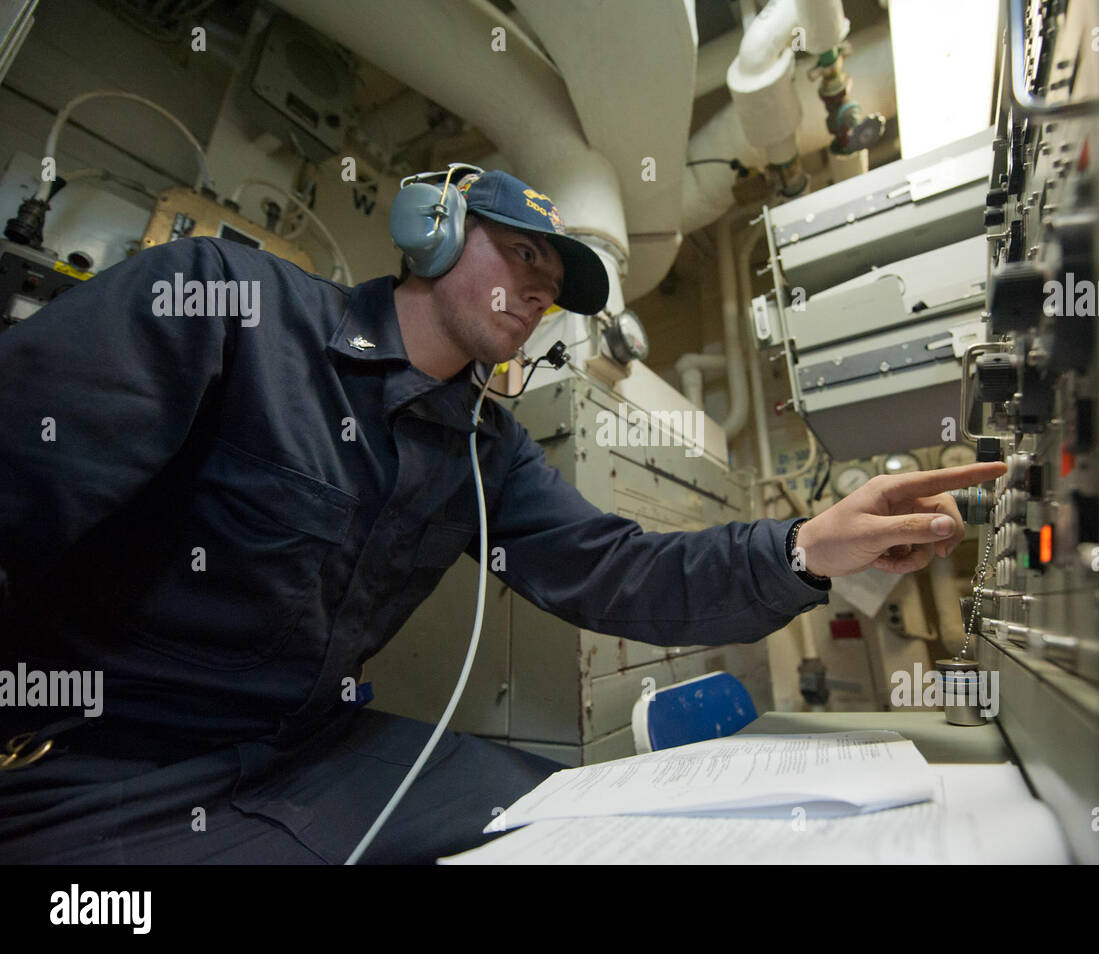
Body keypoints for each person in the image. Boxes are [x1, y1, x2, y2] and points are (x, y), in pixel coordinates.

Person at [0, 167, 1004, 863]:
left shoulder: (485, 449)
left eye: (554, 281)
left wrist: (805, 549)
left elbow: (620, 571)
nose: (537, 287)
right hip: (92, 759)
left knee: (553, 817)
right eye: (521, 252)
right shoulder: (230, 306)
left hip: (305, 752)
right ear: (426, 227)